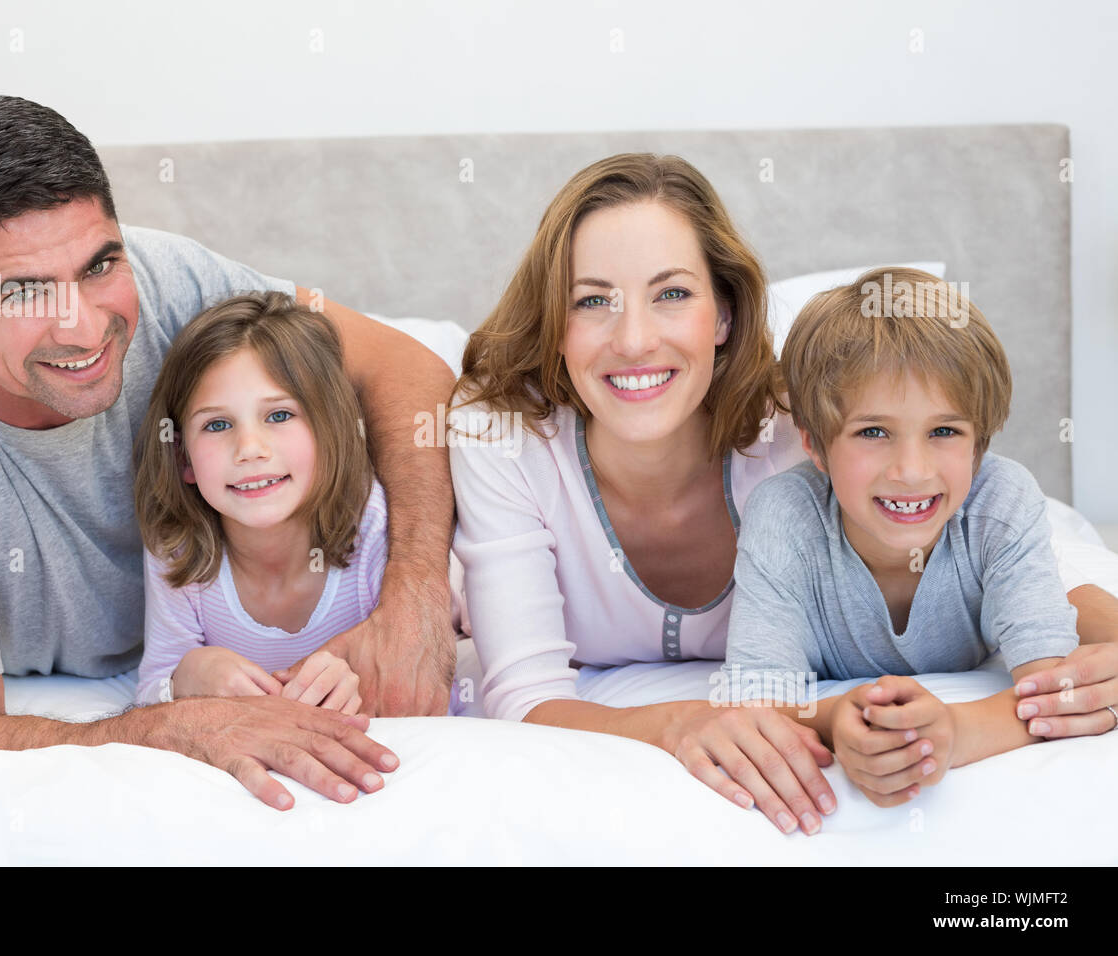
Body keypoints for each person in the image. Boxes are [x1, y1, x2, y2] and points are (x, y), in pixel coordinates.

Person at [449, 152, 1118, 836]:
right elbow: (525, 700)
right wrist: (680, 722)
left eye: (672, 293)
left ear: (725, 315)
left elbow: (1001, 553)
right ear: (554, 324)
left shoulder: (808, 431)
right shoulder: (500, 434)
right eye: (593, 300)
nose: (635, 339)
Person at [0, 96, 457, 811]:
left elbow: (410, 366)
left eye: (99, 266)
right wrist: (176, 728)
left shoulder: (169, 279)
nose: (85, 327)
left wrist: (416, 594)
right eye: (25, 292)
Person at [723, 267, 1113, 808]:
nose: (911, 470)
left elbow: (1052, 687)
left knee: (1089, 601)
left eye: (944, 431)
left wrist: (951, 732)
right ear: (813, 445)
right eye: (873, 432)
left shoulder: (1000, 501)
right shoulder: (783, 517)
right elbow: (757, 701)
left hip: (1014, 555)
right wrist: (839, 722)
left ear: (979, 444)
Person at [132, 292, 386, 713]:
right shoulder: (176, 548)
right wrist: (186, 677)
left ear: (332, 429)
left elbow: (429, 668)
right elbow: (150, 691)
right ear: (183, 459)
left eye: (279, 415)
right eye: (216, 424)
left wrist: (364, 681)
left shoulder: (374, 526)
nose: (249, 448)